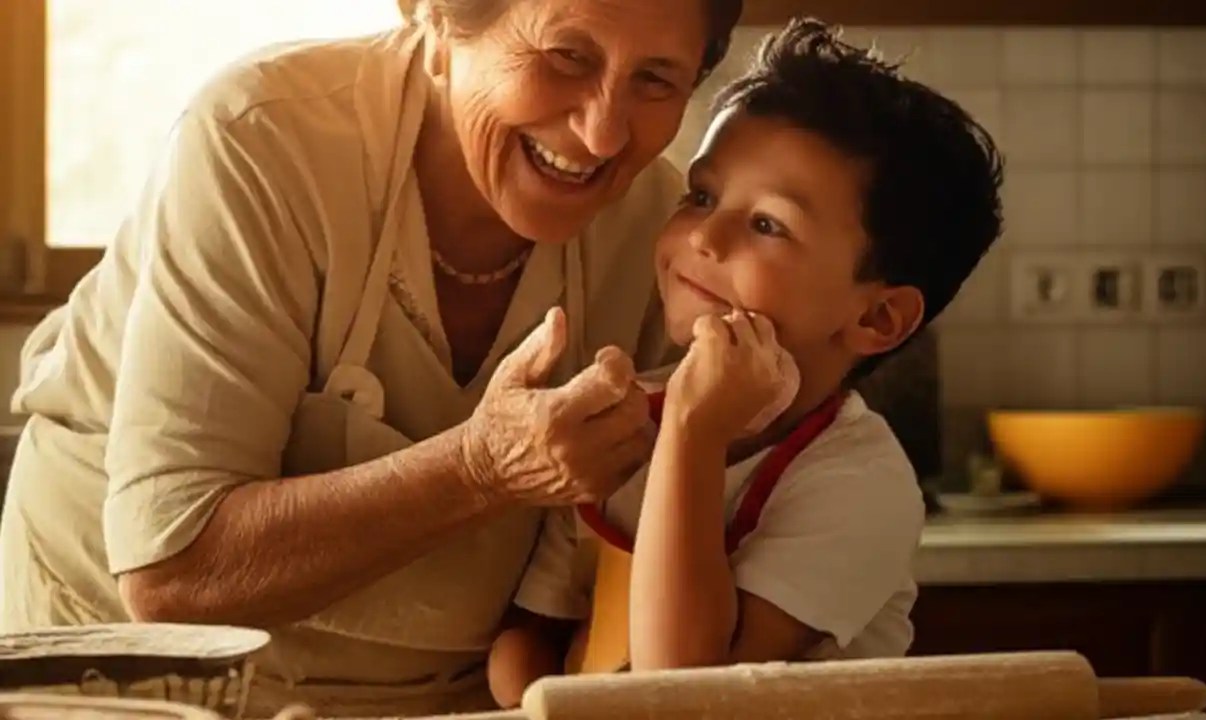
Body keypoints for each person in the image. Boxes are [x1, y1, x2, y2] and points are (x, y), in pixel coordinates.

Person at [0, 0, 742, 715]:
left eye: (655, 80)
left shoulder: (665, 233)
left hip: (441, 694)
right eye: (567, 57)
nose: (604, 133)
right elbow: (173, 571)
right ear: (434, 14)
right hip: (133, 679)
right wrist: (480, 469)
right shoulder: (262, 137)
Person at [486, 18, 1005, 706]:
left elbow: (685, 692)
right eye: (701, 196)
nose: (704, 234)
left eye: (768, 225)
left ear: (878, 318)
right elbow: (531, 636)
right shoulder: (613, 424)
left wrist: (694, 433)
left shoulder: (856, 486)